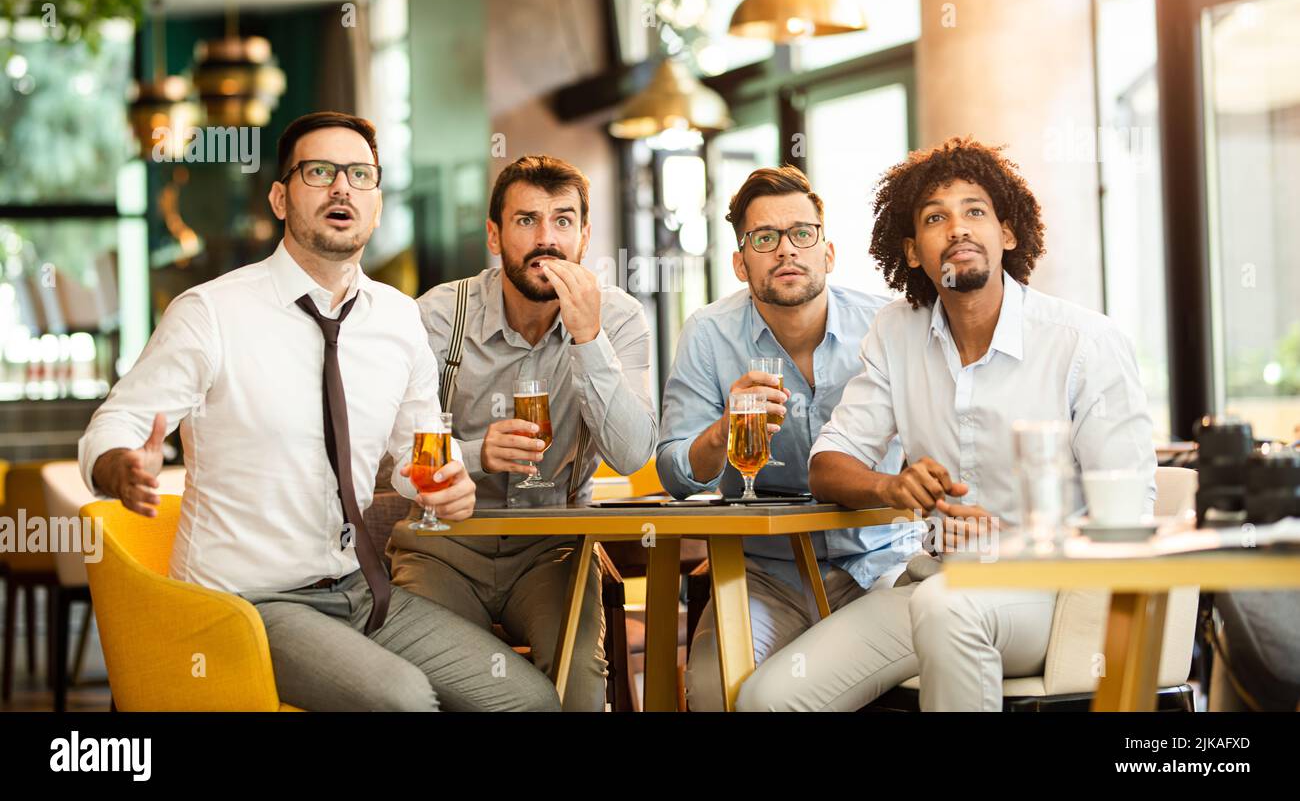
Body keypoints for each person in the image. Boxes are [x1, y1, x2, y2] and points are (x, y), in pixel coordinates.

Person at [79, 111, 559, 712]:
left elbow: (420, 452)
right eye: (320, 171)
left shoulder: (396, 317)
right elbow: (113, 425)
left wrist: (447, 486)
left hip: (363, 591)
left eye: (360, 175)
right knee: (403, 702)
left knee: (527, 701)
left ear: (377, 203)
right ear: (281, 198)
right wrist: (120, 466)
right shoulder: (211, 313)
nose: (342, 188)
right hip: (247, 605)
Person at [738, 136, 1156, 711]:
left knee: (946, 608)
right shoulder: (896, 333)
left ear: (1007, 234)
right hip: (935, 582)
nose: (957, 228)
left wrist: (1020, 543)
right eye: (936, 217)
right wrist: (890, 486)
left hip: (1056, 595)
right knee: (769, 699)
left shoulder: (1084, 343)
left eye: (975, 211)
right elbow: (828, 463)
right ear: (912, 250)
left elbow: (1128, 513)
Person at [386, 154, 657, 711]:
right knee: (439, 687)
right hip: (444, 546)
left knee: (580, 676)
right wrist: (473, 453)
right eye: (526, 221)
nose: (546, 239)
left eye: (562, 221)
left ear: (585, 236)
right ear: (494, 234)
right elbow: (389, 449)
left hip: (554, 549)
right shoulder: (438, 316)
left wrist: (587, 338)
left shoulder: (619, 318)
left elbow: (631, 455)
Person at [656, 165, 917, 712]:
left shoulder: (887, 326)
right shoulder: (708, 333)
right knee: (711, 690)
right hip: (762, 575)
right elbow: (674, 474)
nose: (785, 251)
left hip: (881, 564)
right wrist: (724, 430)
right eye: (764, 239)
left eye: (802, 233)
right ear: (739, 261)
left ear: (828, 252)